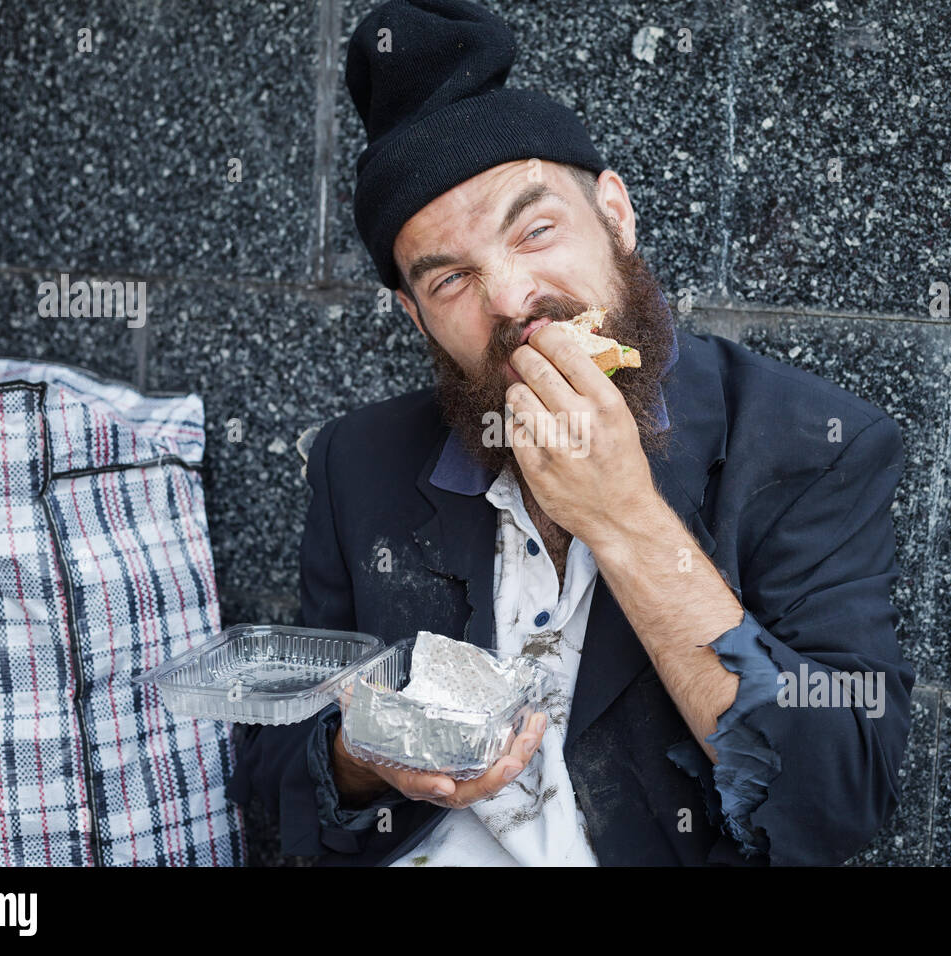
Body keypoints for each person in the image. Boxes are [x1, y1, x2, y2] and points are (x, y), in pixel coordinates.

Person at [225, 0, 915, 866]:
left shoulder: (814, 446)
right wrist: (363, 763)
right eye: (452, 282)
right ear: (415, 316)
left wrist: (626, 520)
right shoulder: (356, 462)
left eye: (537, 230)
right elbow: (274, 795)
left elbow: (836, 802)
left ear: (616, 215)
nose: (511, 299)